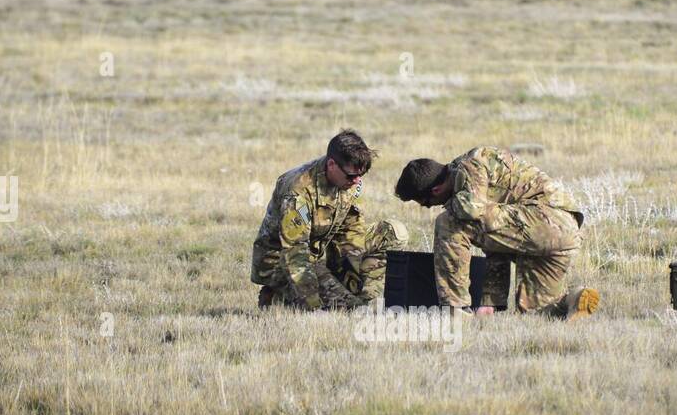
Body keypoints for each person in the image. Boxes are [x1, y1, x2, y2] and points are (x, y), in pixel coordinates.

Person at [393, 146, 599, 319]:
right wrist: (490, 302)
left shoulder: (470, 166)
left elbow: (472, 210)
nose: (431, 207)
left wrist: (478, 302)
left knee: (448, 222)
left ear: (435, 191)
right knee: (539, 312)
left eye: (426, 203)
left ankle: (454, 310)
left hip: (548, 223)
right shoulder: (473, 187)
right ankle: (574, 298)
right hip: (555, 233)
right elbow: (494, 241)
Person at [251, 129, 407, 310]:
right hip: (284, 260)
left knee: (393, 232)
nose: (357, 181)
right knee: (345, 308)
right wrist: (313, 307)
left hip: (320, 251)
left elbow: (351, 227)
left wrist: (352, 275)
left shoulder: (348, 179)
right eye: (351, 176)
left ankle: (361, 299)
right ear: (332, 164)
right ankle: (278, 295)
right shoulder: (298, 191)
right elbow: (295, 253)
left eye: (361, 176)